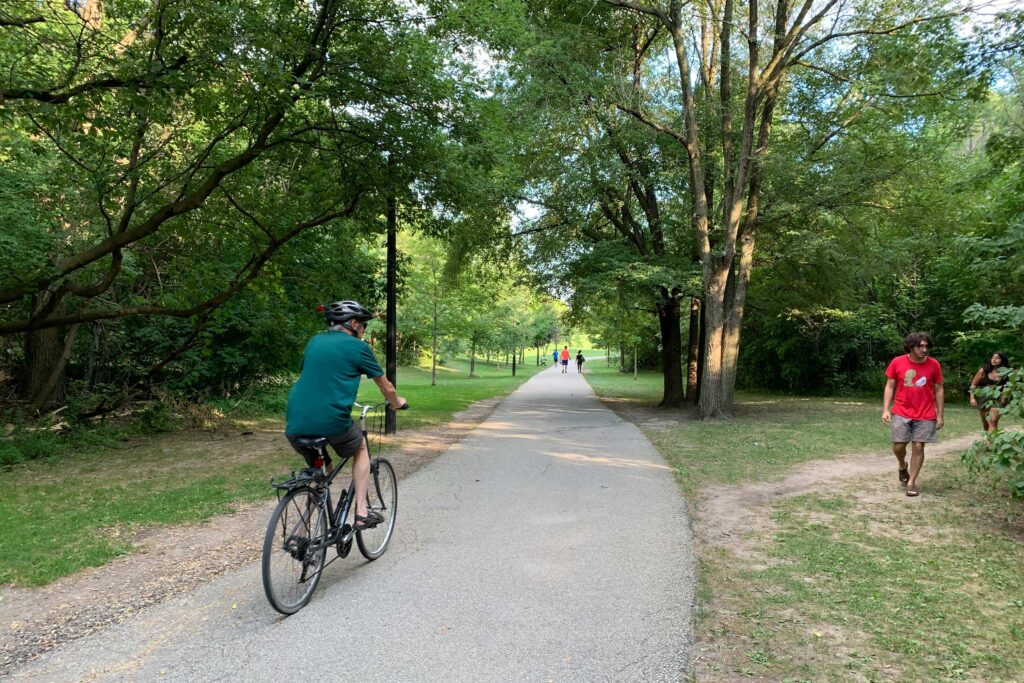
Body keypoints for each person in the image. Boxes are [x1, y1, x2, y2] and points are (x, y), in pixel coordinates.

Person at [285, 300, 406, 530]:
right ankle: (361, 512)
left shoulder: (314, 342)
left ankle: (300, 533)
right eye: (363, 326)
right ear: (352, 324)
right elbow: (386, 387)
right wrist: (397, 403)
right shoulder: (358, 348)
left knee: (321, 474)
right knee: (360, 447)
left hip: (295, 422)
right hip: (331, 421)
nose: (364, 331)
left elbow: (313, 374)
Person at [881, 331, 944, 498]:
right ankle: (902, 466)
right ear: (911, 347)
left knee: (918, 445)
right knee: (899, 445)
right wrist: (886, 409)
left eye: (926, 346)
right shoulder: (897, 362)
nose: (924, 349)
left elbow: (938, 389)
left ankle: (911, 482)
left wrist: (940, 415)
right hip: (901, 410)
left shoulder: (934, 365)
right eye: (920, 346)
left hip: (925, 412)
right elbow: (889, 386)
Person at [969, 351, 1011, 435]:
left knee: (993, 421)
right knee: (986, 424)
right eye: (993, 357)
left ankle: (991, 445)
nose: (994, 360)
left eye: (997, 358)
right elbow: (973, 385)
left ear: (1002, 360)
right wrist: (972, 398)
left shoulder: (1006, 373)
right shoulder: (983, 370)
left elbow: (1008, 385)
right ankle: (990, 440)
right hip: (983, 399)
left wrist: (1004, 396)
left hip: (998, 399)